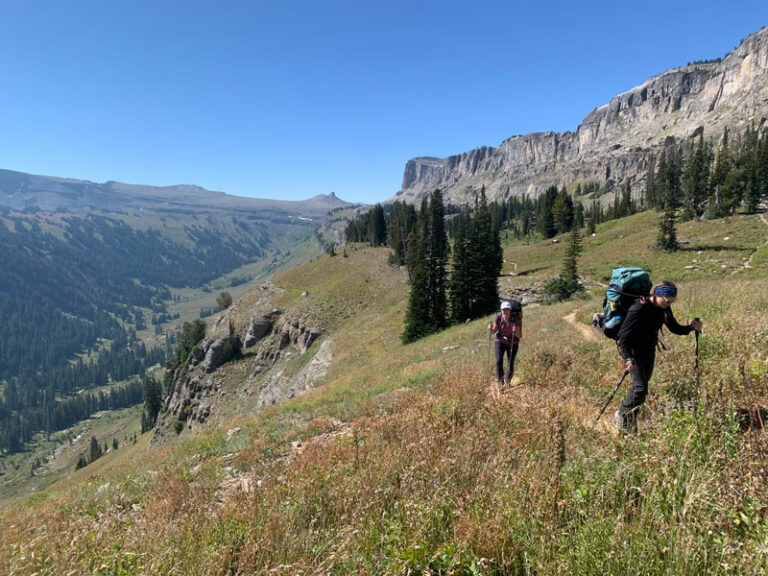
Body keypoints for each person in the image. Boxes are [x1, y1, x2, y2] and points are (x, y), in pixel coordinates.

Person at [615, 280, 703, 433]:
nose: (668, 303)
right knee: (640, 388)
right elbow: (623, 336)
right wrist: (627, 358)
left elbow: (675, 328)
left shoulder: (665, 309)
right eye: (667, 300)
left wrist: (691, 327)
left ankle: (630, 423)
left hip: (649, 352)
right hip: (633, 352)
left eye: (672, 301)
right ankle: (622, 414)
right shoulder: (638, 308)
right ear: (657, 295)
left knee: (642, 389)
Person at [488, 301, 522, 389]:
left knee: (510, 362)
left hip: (513, 342)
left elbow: (519, 336)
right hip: (500, 341)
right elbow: (494, 331)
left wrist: (515, 330)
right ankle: (500, 382)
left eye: (507, 310)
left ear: (510, 311)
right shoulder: (498, 318)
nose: (505, 312)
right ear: (501, 310)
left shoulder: (515, 319)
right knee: (498, 361)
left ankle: (507, 382)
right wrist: (491, 329)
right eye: (503, 310)